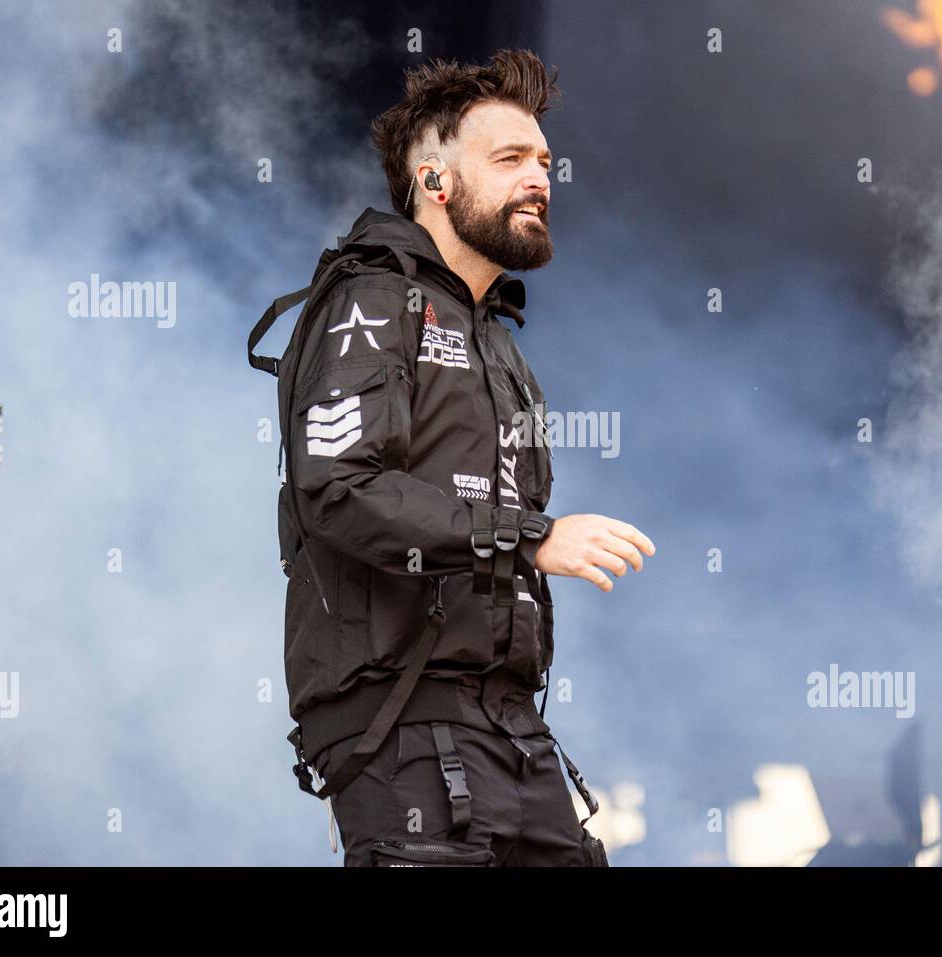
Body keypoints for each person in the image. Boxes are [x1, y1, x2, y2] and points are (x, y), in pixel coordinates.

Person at [268, 49, 655, 866]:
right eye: (510, 159)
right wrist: (526, 536)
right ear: (435, 182)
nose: (541, 179)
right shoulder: (370, 297)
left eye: (545, 162)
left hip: (510, 729)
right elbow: (337, 486)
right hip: (400, 724)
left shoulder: (499, 342)